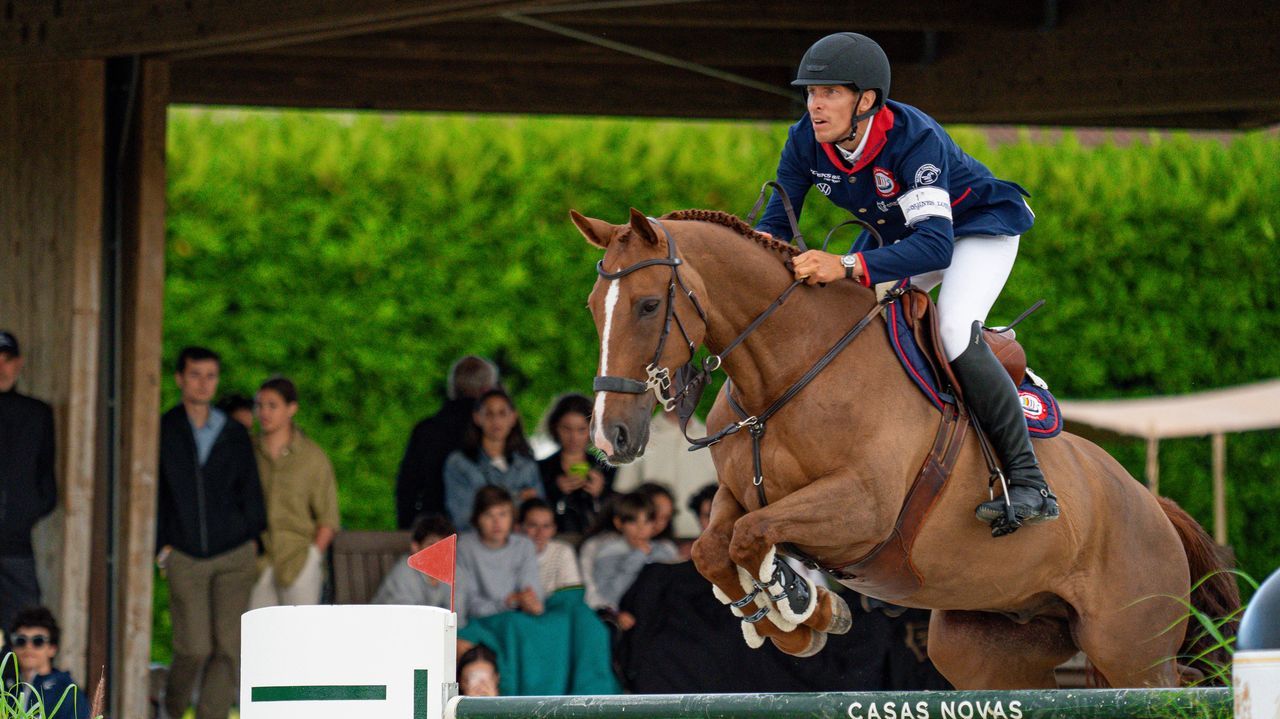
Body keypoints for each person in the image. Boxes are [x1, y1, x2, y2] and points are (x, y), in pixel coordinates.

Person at [755, 32, 1056, 535]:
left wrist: (846, 267)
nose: (815, 105)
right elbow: (774, 228)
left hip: (976, 231)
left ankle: (1029, 482)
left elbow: (937, 247)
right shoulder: (803, 139)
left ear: (866, 100)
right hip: (902, 239)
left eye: (829, 93)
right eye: (810, 93)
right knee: (843, 316)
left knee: (955, 331)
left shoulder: (914, 139)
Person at [156, 346, 266, 719]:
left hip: (234, 553)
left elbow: (251, 489)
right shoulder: (164, 428)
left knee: (228, 646)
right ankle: (170, 709)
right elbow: (154, 491)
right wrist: (162, 544)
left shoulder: (233, 432)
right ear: (180, 379)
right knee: (193, 647)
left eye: (210, 375)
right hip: (184, 552)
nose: (203, 383)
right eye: (195, 375)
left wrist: (254, 537)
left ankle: (211, 715)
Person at [249, 376, 341, 609]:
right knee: (258, 637)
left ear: (291, 409)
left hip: (298, 559)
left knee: (300, 637)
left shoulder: (312, 458)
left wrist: (312, 558)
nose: (264, 413)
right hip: (259, 562)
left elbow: (328, 518)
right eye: (260, 405)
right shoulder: (248, 452)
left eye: (272, 406)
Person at [396, 356, 500, 529]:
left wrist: (409, 529)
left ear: (453, 388)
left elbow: (407, 488)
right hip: (486, 532)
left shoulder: (427, 430)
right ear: (487, 389)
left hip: (435, 529)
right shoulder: (493, 431)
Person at [0, 331, 57, 632]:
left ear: (19, 363)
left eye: (7, 360)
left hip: (16, 545)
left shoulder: (36, 414)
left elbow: (47, 481)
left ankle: (14, 682)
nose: (1, 368)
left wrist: (22, 516)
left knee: (26, 630)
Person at [443, 389, 543, 532]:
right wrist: (517, 498)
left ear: (513, 417)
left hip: (519, 544)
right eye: (489, 414)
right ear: (477, 417)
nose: (496, 421)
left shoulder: (527, 467)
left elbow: (539, 516)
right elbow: (462, 516)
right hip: (475, 545)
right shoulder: (459, 463)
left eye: (502, 413)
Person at [613, 409, 717, 538]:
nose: (680, 392)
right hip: (649, 540)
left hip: (702, 537)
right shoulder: (639, 436)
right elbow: (624, 492)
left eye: (687, 387)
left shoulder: (712, 438)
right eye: (672, 387)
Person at [583, 492, 678, 627]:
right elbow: (609, 595)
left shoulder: (664, 550)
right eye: (633, 522)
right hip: (631, 613)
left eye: (646, 522)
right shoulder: (608, 553)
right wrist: (637, 556)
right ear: (619, 523)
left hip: (664, 612)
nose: (641, 529)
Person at [456, 486, 543, 621]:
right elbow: (468, 604)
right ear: (477, 519)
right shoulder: (464, 547)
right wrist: (508, 602)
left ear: (512, 517)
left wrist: (530, 602)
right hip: (480, 622)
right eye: (488, 515)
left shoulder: (524, 545)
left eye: (503, 514)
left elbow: (532, 595)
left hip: (517, 619)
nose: (497, 522)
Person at [536, 394, 615, 535]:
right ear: (555, 428)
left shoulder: (607, 468)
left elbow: (621, 511)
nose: (573, 437)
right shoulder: (541, 469)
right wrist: (554, 490)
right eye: (567, 429)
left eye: (581, 430)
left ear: (592, 431)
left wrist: (601, 492)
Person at [2, 607, 89, 719]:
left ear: (52, 648)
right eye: (21, 640)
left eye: (38, 641)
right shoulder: (5, 686)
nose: (28, 647)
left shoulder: (66, 691)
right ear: (13, 647)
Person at [372, 513, 457, 609]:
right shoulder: (404, 574)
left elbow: (458, 614)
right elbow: (407, 618)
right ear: (415, 547)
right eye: (431, 545)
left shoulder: (454, 571)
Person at [518, 498, 581, 595]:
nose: (540, 533)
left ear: (554, 529)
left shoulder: (563, 551)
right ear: (520, 527)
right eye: (533, 525)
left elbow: (572, 594)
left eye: (546, 526)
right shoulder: (508, 554)